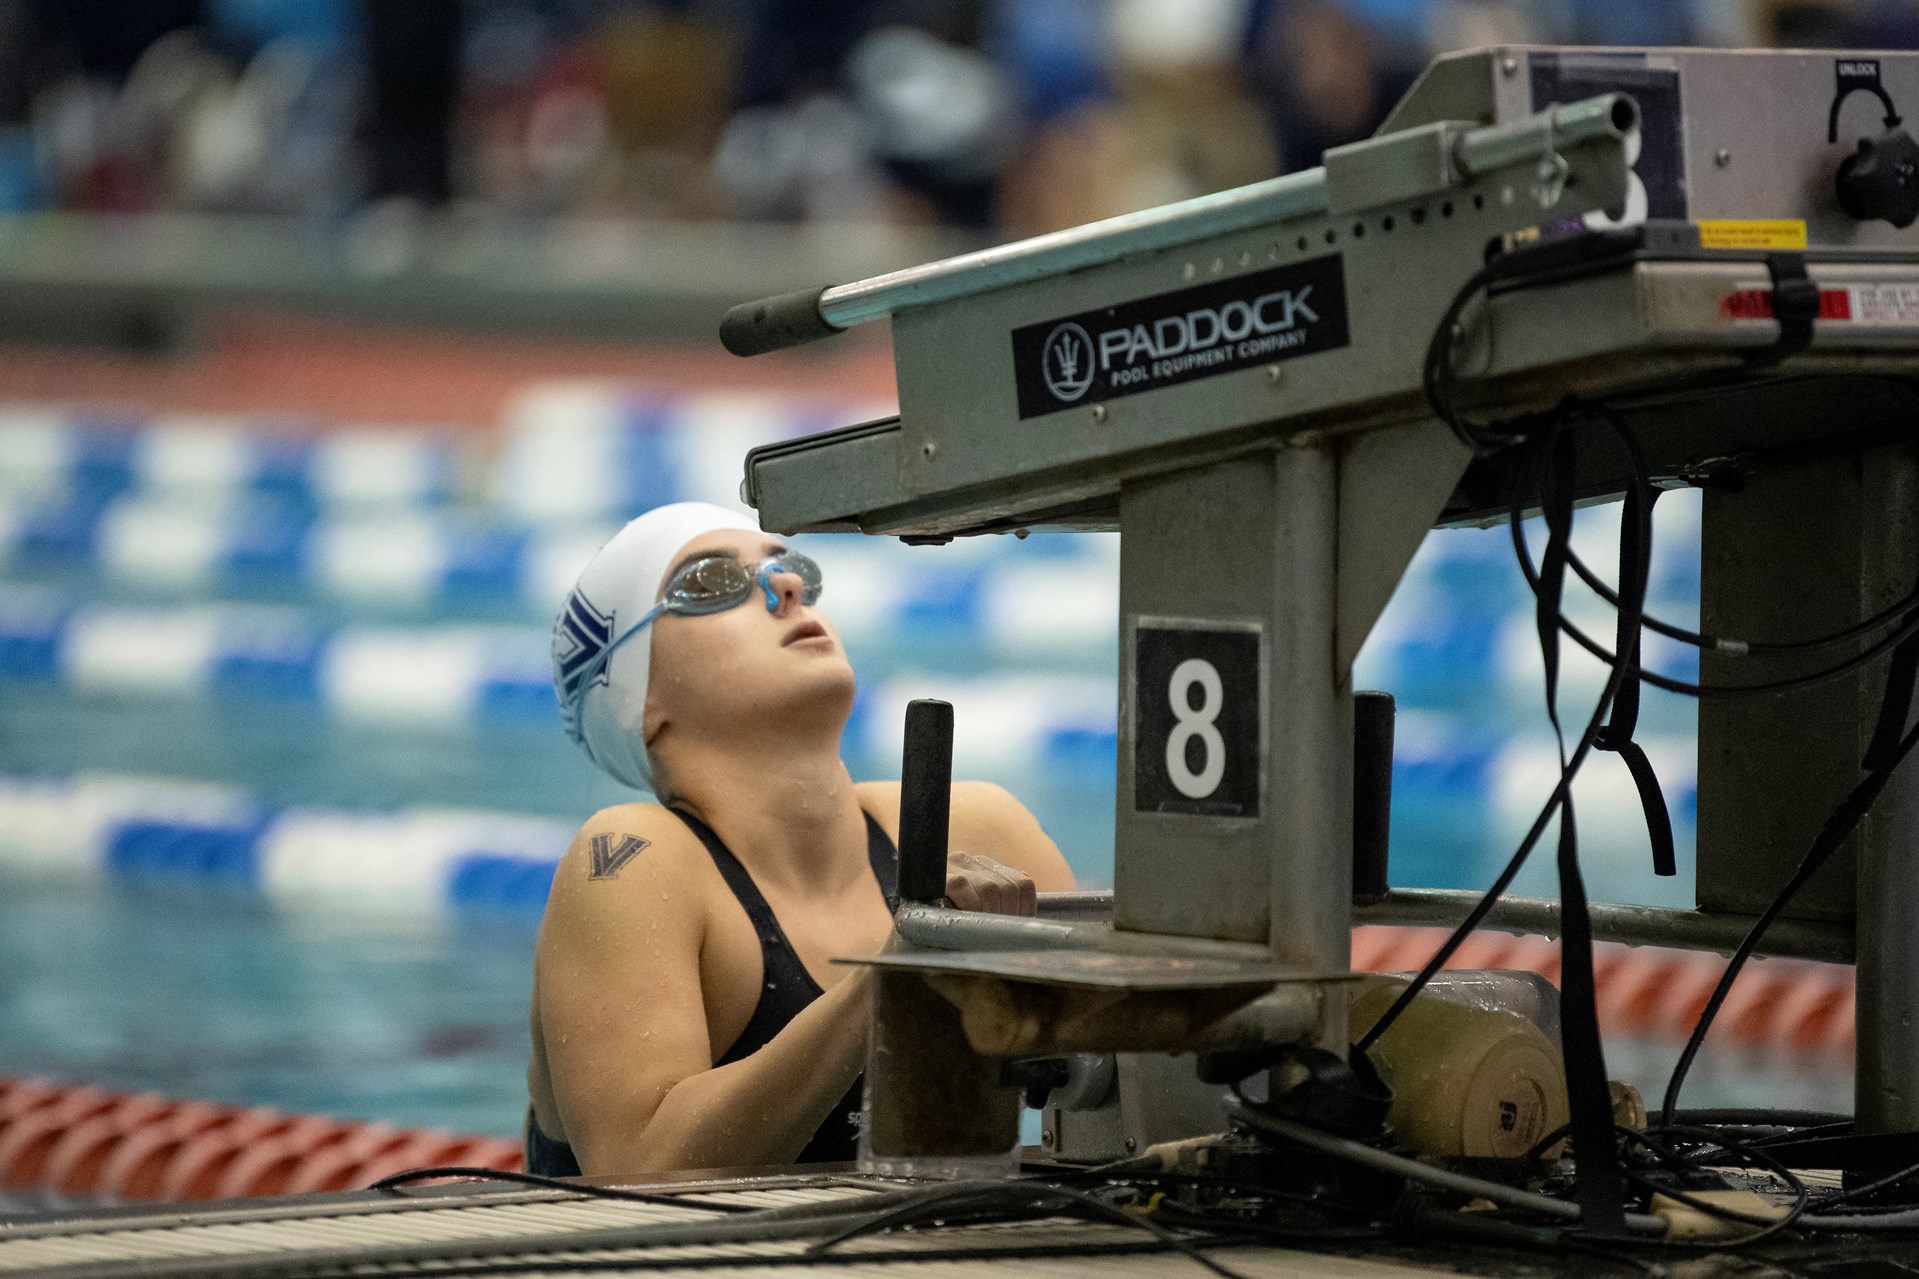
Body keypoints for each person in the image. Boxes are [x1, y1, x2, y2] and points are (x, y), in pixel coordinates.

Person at [527, 502, 1075, 1176]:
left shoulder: (982, 825)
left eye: (792, 568)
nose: (784, 586)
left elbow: (1130, 1072)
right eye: (709, 584)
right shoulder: (631, 858)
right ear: (638, 701)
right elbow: (641, 1165)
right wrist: (891, 974)